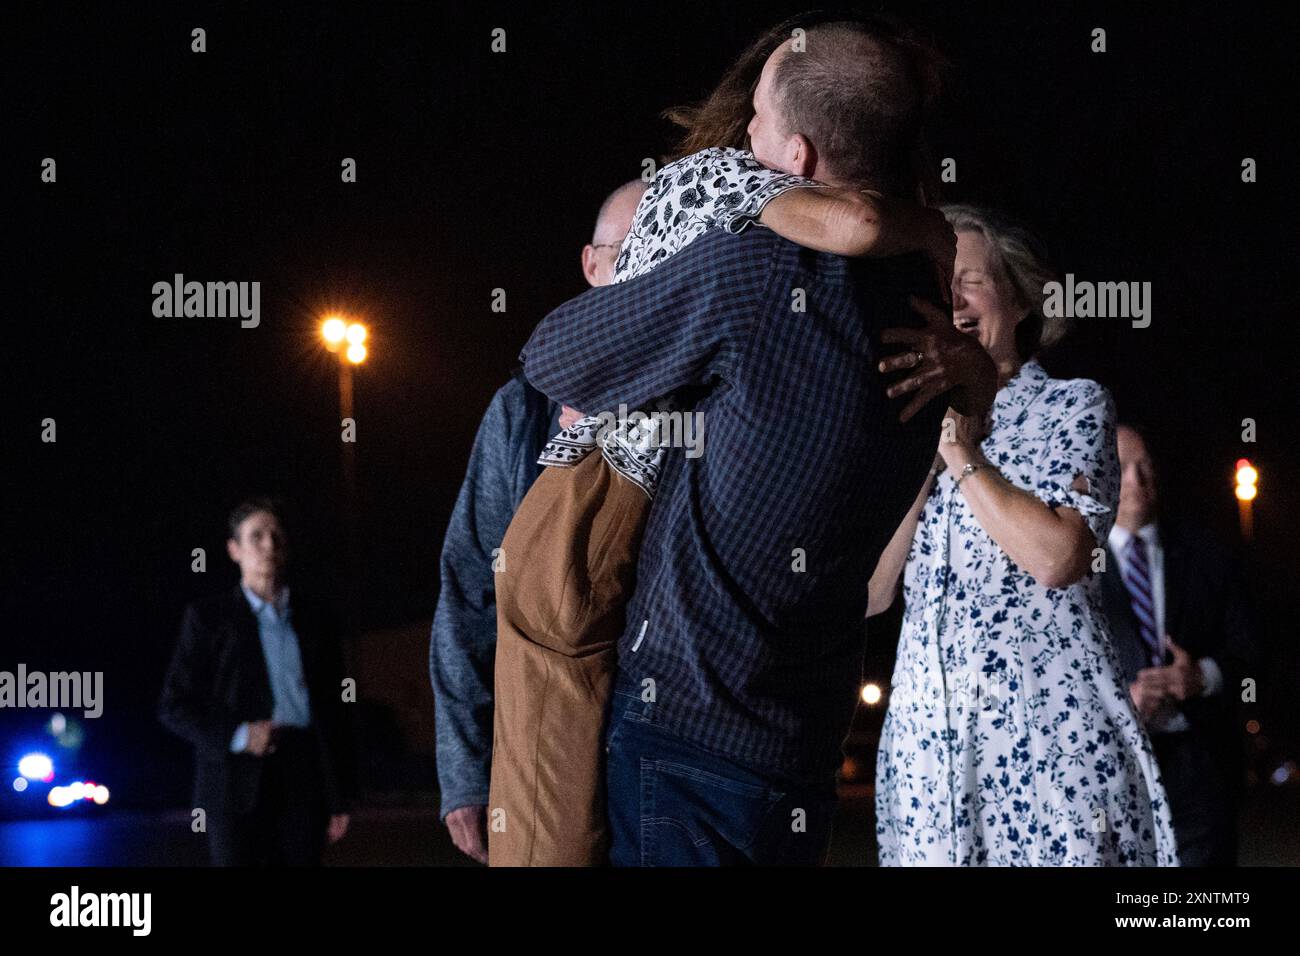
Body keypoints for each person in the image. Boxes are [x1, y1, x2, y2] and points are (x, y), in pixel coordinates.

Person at [519, 18, 997, 866]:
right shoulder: (931, 314)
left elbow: (554, 356)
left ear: (800, 157)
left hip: (689, 725)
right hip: (805, 739)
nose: (743, 134)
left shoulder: (752, 272)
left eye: (760, 123)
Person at [869, 205, 1179, 866]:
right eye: (938, 282)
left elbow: (1060, 556)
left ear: (1018, 300)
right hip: (933, 751)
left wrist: (964, 455)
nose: (952, 298)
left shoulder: (1073, 406)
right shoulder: (902, 429)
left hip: (1052, 744)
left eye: (970, 280)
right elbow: (868, 593)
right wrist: (928, 448)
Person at [430, 180, 646, 864]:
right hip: (544, 749)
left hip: (662, 749)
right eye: (628, 252)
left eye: (667, 252)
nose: (647, 269)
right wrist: (465, 772)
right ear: (591, 264)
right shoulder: (522, 410)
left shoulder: (705, 395)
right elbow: (469, 588)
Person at [159, 498, 356, 866]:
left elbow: (334, 711)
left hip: (303, 776)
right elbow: (175, 705)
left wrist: (339, 795)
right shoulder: (208, 619)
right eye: (256, 536)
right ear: (234, 550)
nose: (269, 544)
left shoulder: (315, 619)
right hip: (234, 782)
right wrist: (239, 734)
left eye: (276, 535)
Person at [1102, 423, 1257, 866]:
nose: (1135, 480)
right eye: (1122, 467)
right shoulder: (1075, 567)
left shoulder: (1208, 552)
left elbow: (1253, 652)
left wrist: (1203, 677)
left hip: (1199, 770)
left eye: (1144, 465)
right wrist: (1122, 701)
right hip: (1116, 770)